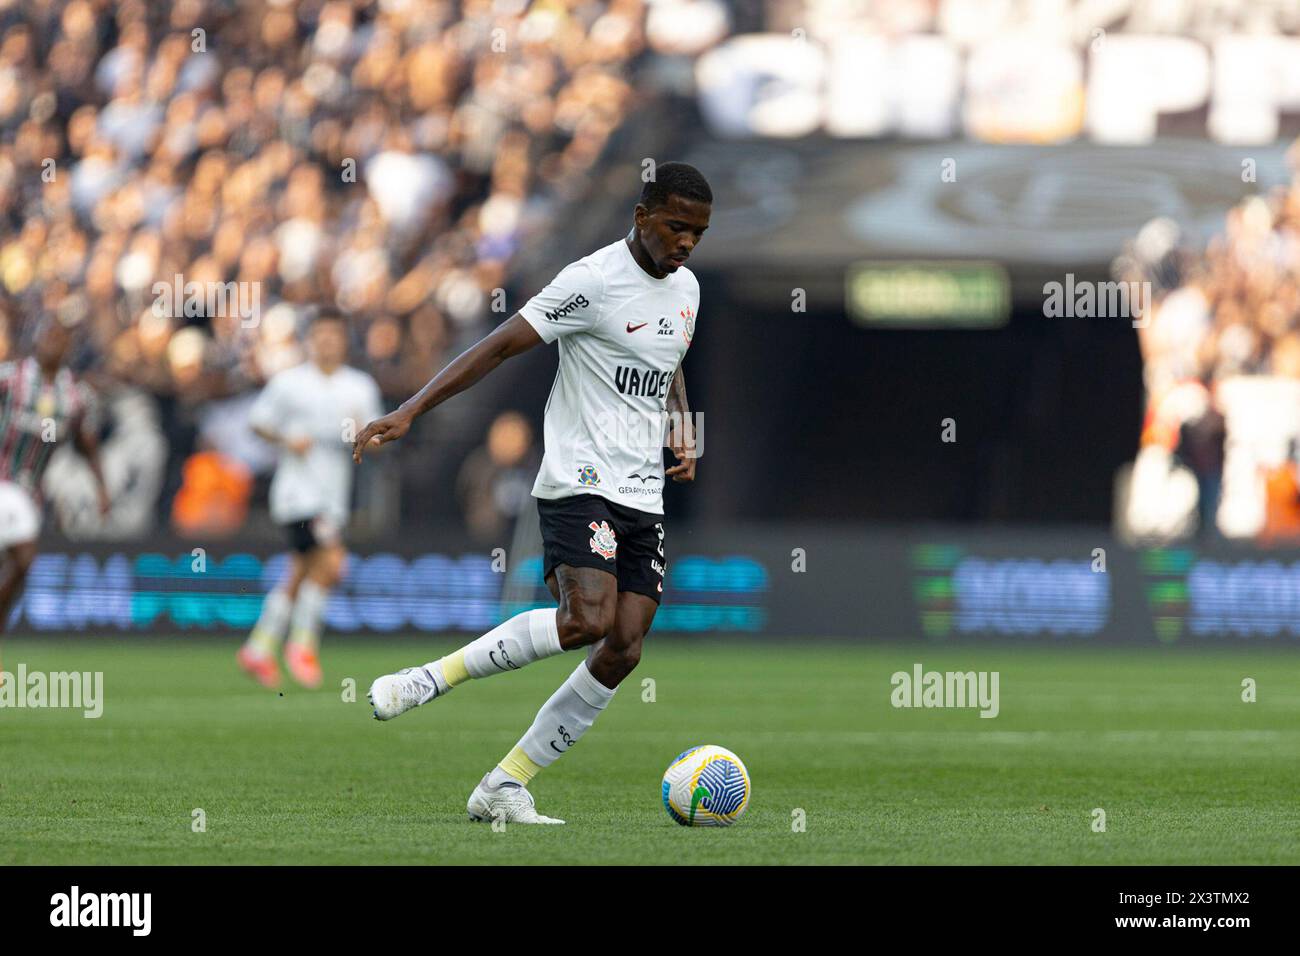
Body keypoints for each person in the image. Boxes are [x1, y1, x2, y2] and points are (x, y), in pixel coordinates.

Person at [354, 162, 711, 824]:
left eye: (697, 232)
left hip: (642, 491)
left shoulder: (686, 289)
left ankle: (505, 783)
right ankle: (432, 677)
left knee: (625, 644)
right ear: (642, 218)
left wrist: (682, 429)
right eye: (676, 227)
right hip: (581, 479)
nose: (687, 243)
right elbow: (497, 347)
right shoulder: (592, 281)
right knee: (586, 620)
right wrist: (411, 409)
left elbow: (670, 362)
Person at [237, 315, 383, 690]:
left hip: (333, 495)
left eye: (333, 335)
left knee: (300, 571)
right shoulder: (290, 383)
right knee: (332, 562)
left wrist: (361, 435)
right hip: (297, 493)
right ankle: (302, 645)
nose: (327, 343)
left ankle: (259, 646)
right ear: (309, 341)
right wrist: (287, 439)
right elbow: (257, 421)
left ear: (344, 341)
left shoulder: (359, 386)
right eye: (319, 336)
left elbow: (376, 442)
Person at [0, 316, 110, 681]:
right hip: (3, 481)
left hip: (30, 491)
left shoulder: (75, 395)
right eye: (49, 335)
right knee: (24, 555)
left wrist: (101, 487)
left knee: (23, 564)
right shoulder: (10, 378)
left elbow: (86, 444)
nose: (54, 344)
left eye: (61, 339)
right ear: (35, 339)